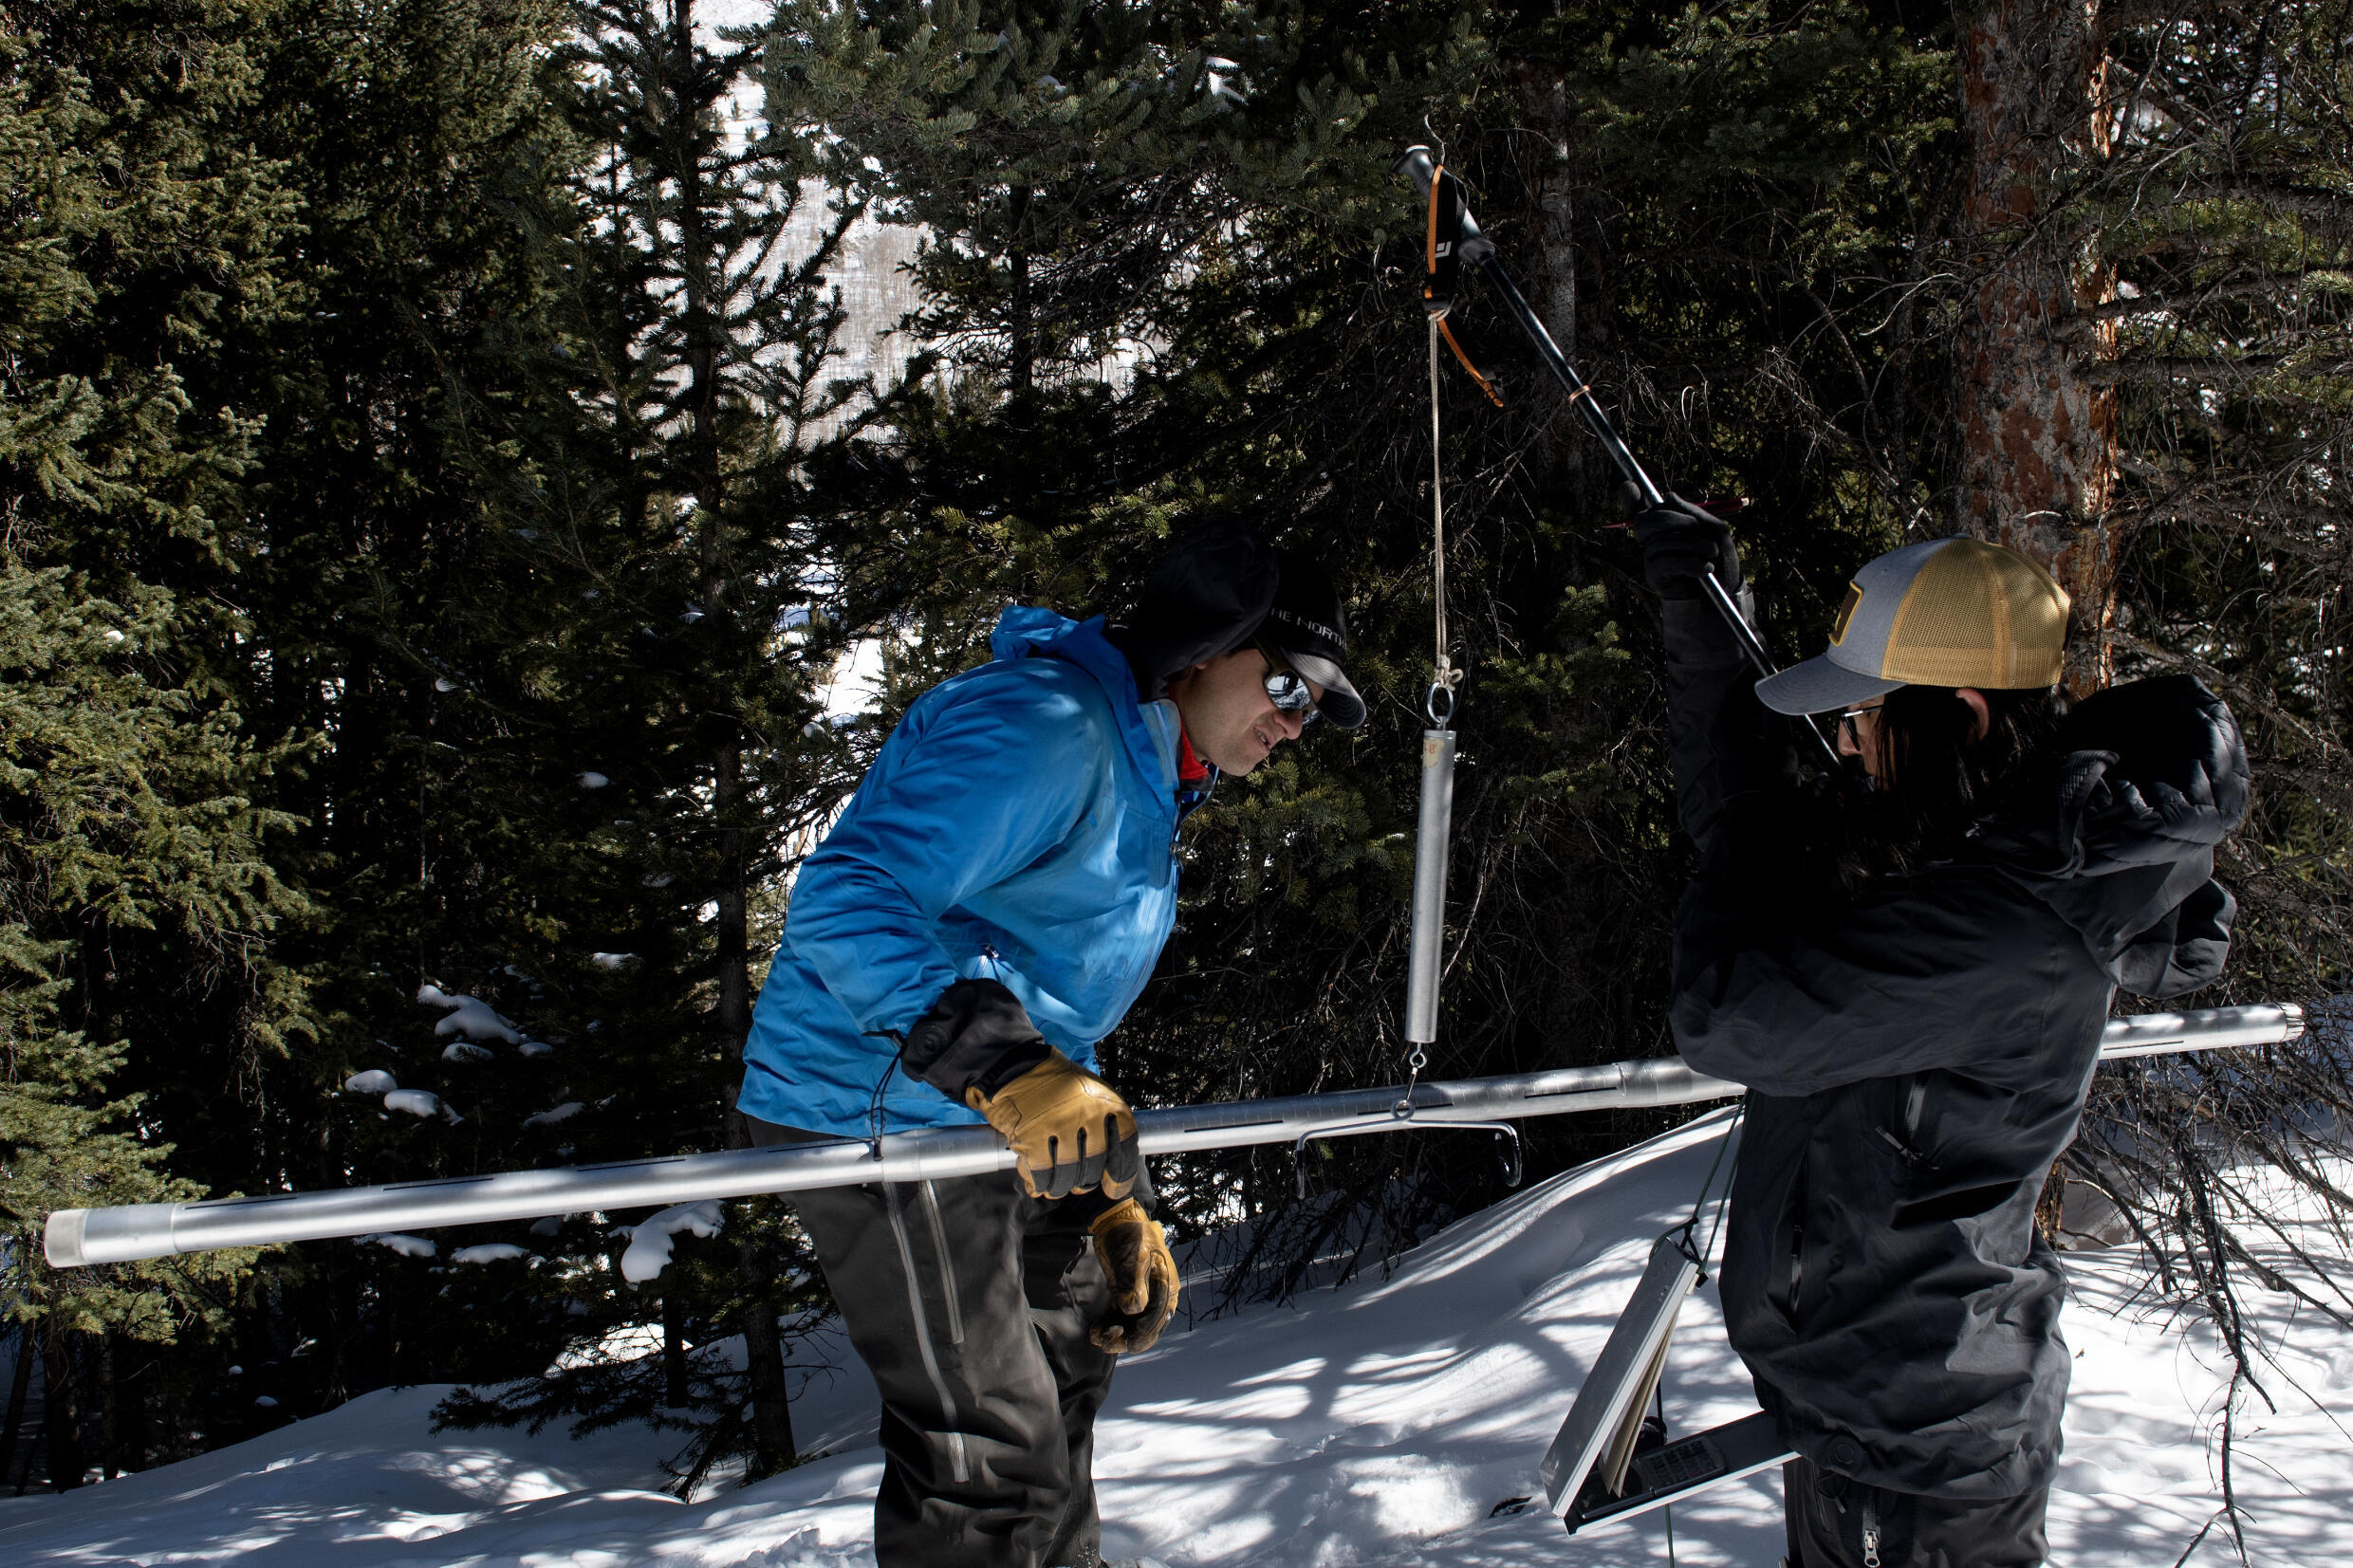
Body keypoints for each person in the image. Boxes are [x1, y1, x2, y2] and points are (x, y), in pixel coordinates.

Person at [737, 521, 1365, 1568]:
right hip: (876, 1107)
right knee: (992, 1452)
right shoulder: (1046, 726)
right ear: (1210, 643)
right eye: (1289, 687)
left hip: (988, 1101)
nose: (1292, 726)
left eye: (1313, 710)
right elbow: (844, 899)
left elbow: (1026, 975)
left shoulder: (1145, 757)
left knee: (1073, 1358)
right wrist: (1008, 1072)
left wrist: (1105, 1188)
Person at [1634, 504, 2248, 1567]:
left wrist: (1740, 835)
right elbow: (1763, 826)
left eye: (1864, 712)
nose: (1842, 741)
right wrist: (1704, 625)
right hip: (1866, 1410)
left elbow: (1728, 1014)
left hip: (1925, 1453)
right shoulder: (1971, 848)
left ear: (1958, 711)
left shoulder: (2000, 927)